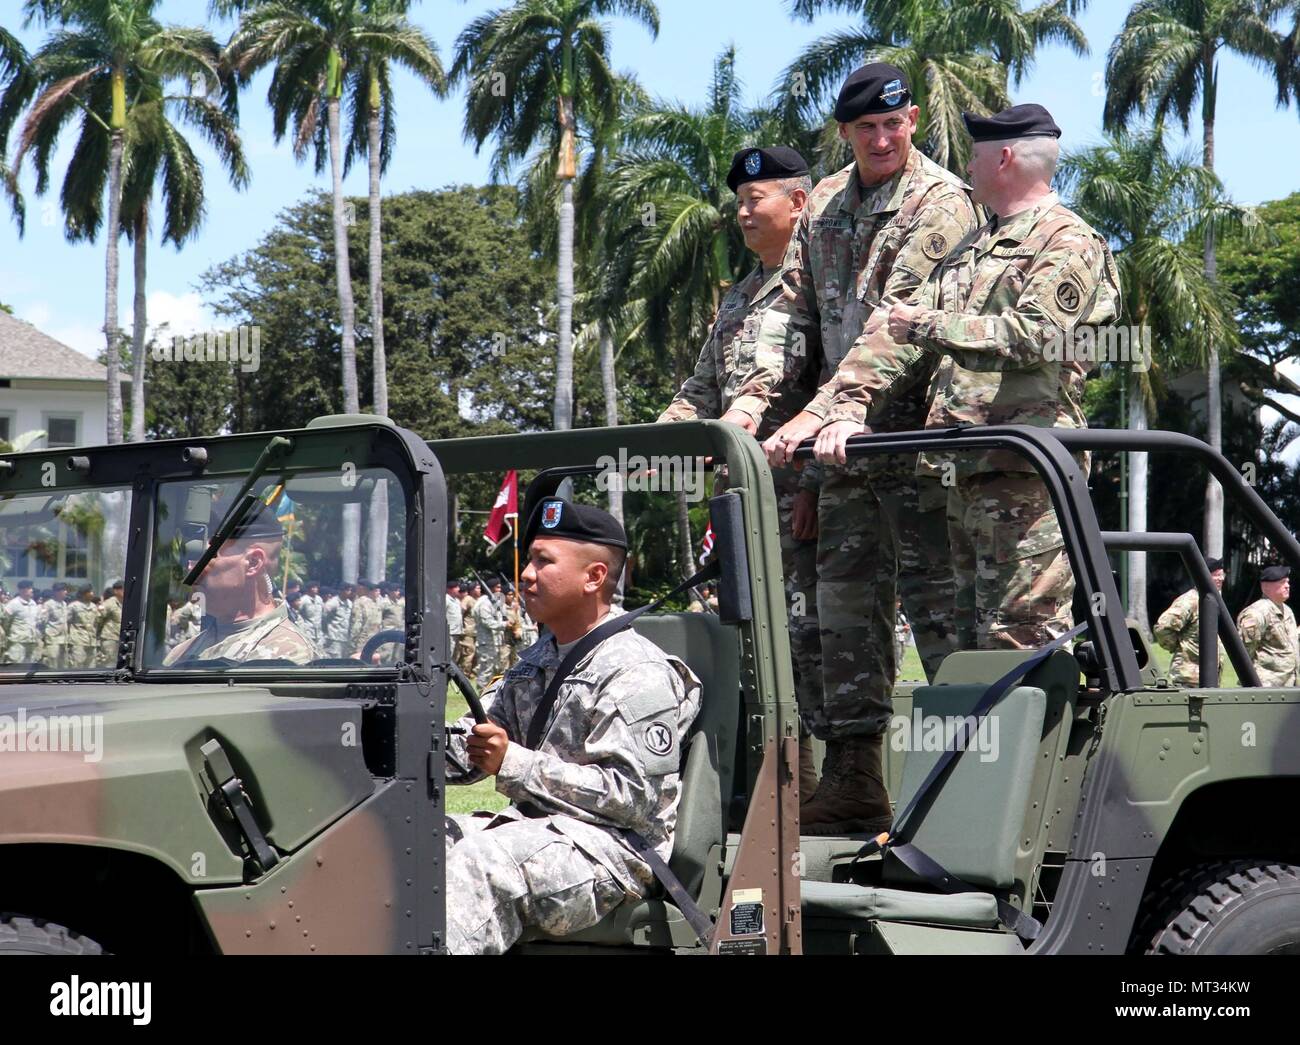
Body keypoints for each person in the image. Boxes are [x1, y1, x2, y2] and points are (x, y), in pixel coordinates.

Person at [757, 64, 979, 834]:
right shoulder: (820, 201)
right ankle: (855, 781)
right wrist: (757, 407)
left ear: (913, 119)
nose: (883, 139)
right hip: (840, 450)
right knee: (842, 615)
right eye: (866, 129)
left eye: (895, 125)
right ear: (844, 133)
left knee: (943, 616)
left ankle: (973, 785)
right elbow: (790, 321)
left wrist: (820, 414)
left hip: (920, 444)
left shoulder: (941, 203)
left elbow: (900, 326)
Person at [876, 103, 1119, 653]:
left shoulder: (1068, 241)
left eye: (976, 155)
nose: (968, 167)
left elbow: (1034, 335)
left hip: (1025, 473)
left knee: (1020, 639)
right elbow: (900, 325)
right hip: (965, 466)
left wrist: (926, 324)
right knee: (967, 646)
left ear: (1004, 157)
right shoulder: (975, 245)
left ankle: (1034, 743)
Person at [444, 496, 701, 954]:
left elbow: (632, 799)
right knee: (410, 839)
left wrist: (514, 763)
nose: (526, 574)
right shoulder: (536, 661)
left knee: (484, 863)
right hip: (540, 831)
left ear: (594, 577)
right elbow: (475, 743)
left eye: (544, 561)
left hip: (617, 853)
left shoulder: (636, 670)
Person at [659, 145, 823, 797]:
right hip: (742, 498)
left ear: (799, 202)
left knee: (805, 642)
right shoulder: (740, 295)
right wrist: (669, 428)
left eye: (758, 198)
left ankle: (811, 785)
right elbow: (705, 384)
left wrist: (815, 482)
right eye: (740, 200)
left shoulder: (817, 284)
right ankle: (761, 780)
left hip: (799, 497)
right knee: (748, 638)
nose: (744, 210)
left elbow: (827, 384)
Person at [164, 503, 319, 665]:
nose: (191, 568)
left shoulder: (289, 657)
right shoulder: (182, 653)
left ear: (253, 563)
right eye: (191, 558)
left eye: (205, 557)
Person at [1154, 557, 1226, 686]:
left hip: (1209, 678)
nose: (1221, 578)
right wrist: (1178, 646)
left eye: (1222, 574)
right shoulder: (1189, 601)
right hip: (1188, 677)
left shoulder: (1213, 600)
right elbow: (1163, 627)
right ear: (1203, 576)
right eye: (1216, 575)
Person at [1237, 564, 1298, 687]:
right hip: (1265, 686)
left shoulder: (1287, 610)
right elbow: (1244, 651)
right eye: (1282, 583)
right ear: (1266, 587)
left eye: (1287, 582)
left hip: (1289, 684)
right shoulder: (1256, 613)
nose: (1287, 586)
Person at [474, 579, 507, 689]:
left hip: (494, 642)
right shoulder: (484, 603)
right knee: (486, 670)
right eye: (497, 587)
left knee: (495, 669)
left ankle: (490, 694)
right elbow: (488, 622)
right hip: (486, 642)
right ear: (491, 588)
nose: (500, 590)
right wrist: (505, 624)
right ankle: (481, 698)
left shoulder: (492, 601)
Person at [3, 580, 42, 663]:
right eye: (28, 588)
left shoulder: (33, 603)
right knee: (15, 667)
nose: (31, 590)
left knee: (29, 667)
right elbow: (5, 622)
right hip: (18, 642)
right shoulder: (13, 604)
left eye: (31, 588)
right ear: (21, 590)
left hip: (31, 642)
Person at [348, 579, 383, 659]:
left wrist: (352, 644)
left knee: (360, 665)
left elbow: (356, 625)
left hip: (362, 642)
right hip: (376, 640)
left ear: (362, 588)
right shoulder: (375, 603)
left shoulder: (359, 602)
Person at [66, 584, 99, 668]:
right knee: (78, 664)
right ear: (84, 594)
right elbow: (66, 622)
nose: (92, 593)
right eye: (89, 592)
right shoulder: (73, 606)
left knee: (91, 665)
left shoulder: (93, 606)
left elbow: (96, 623)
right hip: (78, 640)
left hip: (91, 640)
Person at [39, 582, 70, 668]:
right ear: (57, 592)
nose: (66, 592)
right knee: (52, 663)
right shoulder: (48, 604)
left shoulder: (64, 604)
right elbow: (42, 622)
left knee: (64, 664)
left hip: (63, 639)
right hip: (53, 639)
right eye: (63, 590)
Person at [321, 583, 354, 659]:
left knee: (344, 658)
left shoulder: (349, 603)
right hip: (334, 637)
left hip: (345, 637)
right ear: (341, 591)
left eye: (350, 590)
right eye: (347, 590)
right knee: (334, 658)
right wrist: (326, 630)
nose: (349, 592)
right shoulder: (333, 602)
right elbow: (323, 617)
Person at [97, 580, 124, 665]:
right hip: (109, 638)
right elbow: (99, 617)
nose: (125, 591)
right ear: (116, 591)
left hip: (120, 638)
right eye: (122, 589)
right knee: (110, 663)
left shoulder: (124, 603)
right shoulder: (109, 603)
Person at [458, 581, 479, 677]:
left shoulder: (476, 600)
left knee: (474, 655)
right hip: (468, 632)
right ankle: (464, 675)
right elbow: (460, 612)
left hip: (475, 632)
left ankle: (472, 674)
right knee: (468, 655)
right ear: (472, 590)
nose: (479, 590)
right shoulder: (468, 599)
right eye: (477, 588)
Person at [299, 580, 324, 647]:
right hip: (308, 631)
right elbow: (297, 612)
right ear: (309, 589)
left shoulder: (319, 599)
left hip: (319, 632)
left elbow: (323, 613)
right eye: (313, 587)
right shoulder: (303, 600)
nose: (315, 589)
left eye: (316, 587)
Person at [446, 580, 465, 660]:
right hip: (450, 632)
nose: (458, 589)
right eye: (456, 587)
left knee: (456, 655)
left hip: (457, 631)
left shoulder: (456, 600)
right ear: (450, 589)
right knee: (448, 654)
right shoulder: (446, 600)